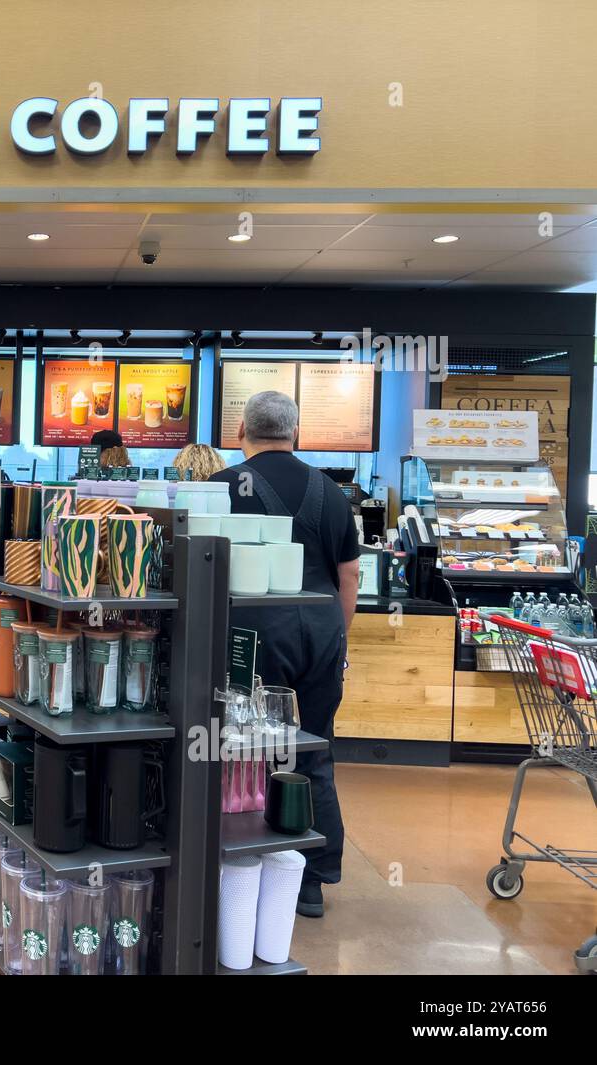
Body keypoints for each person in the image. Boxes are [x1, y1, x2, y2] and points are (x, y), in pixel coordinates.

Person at [209, 391, 360, 919]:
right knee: (312, 747)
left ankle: (239, 866)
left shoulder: (222, 488)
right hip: (320, 630)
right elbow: (350, 575)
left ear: (241, 429)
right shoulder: (332, 492)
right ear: (297, 431)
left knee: (237, 749)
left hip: (251, 632)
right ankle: (311, 880)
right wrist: (337, 641)